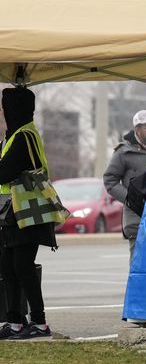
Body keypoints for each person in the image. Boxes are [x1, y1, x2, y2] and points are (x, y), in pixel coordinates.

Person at [0, 87, 56, 340]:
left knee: (22, 267)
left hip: (27, 213)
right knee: (10, 267)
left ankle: (40, 323)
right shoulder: (14, 135)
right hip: (13, 213)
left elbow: (5, 171)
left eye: (6, 107)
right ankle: (14, 322)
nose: (3, 112)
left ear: (14, 109)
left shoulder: (24, 136)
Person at [103, 109, 146, 262]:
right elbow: (109, 180)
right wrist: (130, 198)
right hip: (135, 219)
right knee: (137, 264)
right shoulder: (123, 152)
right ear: (137, 130)